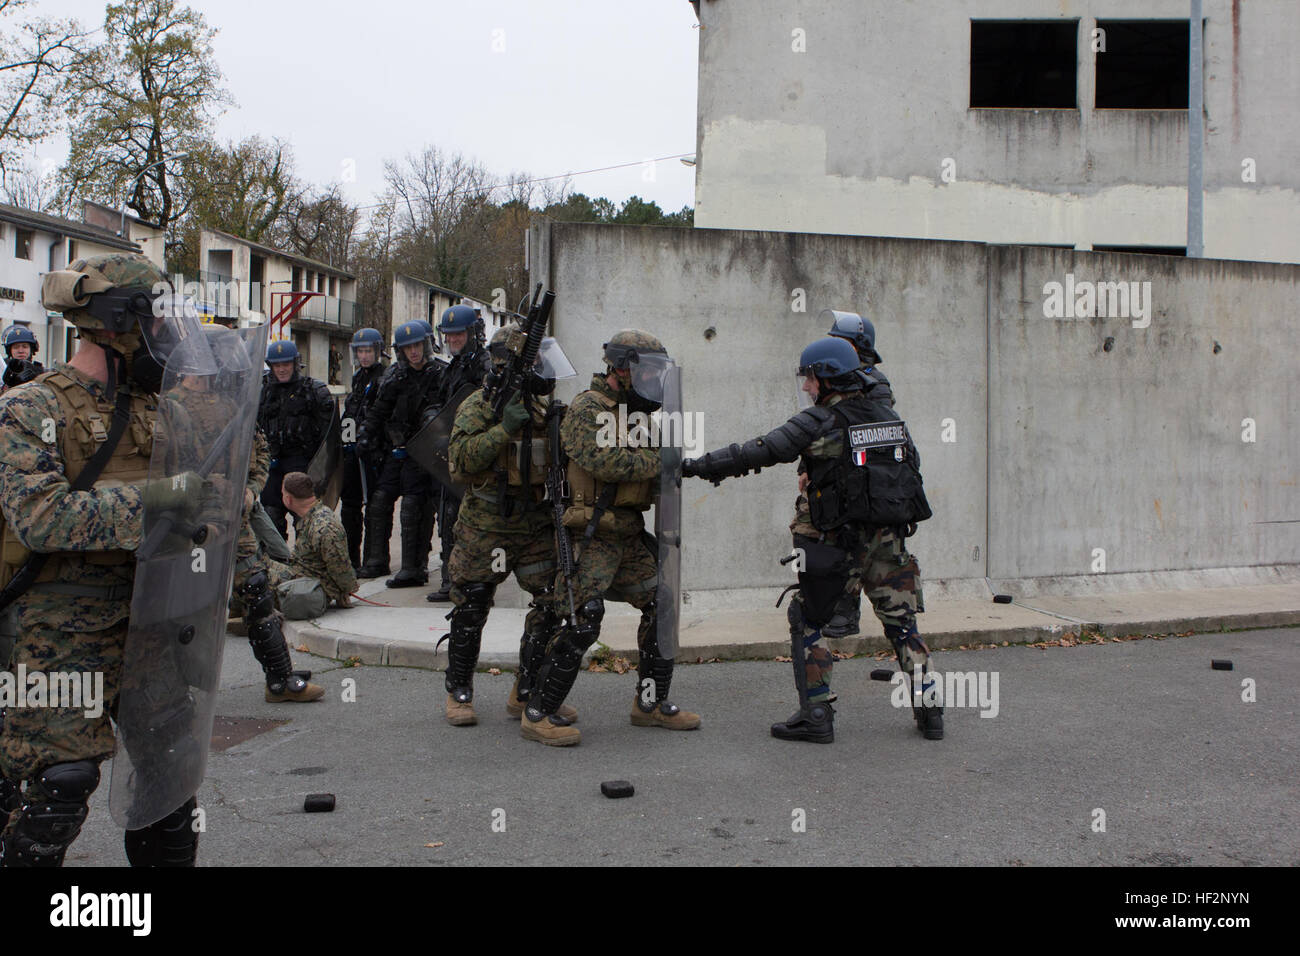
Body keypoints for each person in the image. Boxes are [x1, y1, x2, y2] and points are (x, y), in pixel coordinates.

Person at [0, 253, 222, 866]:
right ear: (114, 323)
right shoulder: (30, 410)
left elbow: (206, 507)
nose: (168, 341)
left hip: (149, 627)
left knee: (171, 793)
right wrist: (155, 502)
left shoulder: (166, 412)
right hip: (58, 634)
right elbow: (41, 517)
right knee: (59, 790)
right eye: (157, 324)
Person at [682, 336, 938, 744]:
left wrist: (698, 466)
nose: (806, 387)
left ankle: (816, 714)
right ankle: (931, 712)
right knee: (903, 625)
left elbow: (761, 450)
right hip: (890, 542)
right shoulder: (890, 419)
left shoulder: (820, 421)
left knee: (808, 619)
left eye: (810, 377)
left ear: (827, 377)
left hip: (837, 544)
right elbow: (911, 469)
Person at [521, 330, 701, 746]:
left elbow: (660, 469)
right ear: (623, 368)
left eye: (659, 372)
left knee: (662, 603)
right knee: (583, 620)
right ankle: (538, 713)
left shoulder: (640, 417)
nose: (655, 381)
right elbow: (607, 460)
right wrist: (663, 459)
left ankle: (650, 704)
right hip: (592, 534)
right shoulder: (588, 407)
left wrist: (684, 465)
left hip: (628, 535)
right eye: (649, 371)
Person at [440, 324, 578, 726]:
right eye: (532, 361)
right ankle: (459, 690)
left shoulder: (542, 411)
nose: (540, 369)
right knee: (473, 601)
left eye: (540, 360)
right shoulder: (480, 406)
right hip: (487, 525)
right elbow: (462, 461)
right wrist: (502, 430)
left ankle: (528, 689)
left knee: (551, 602)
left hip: (534, 523)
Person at [819, 310, 897, 638]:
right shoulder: (839, 374)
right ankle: (839, 609)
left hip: (866, 476)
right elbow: (822, 425)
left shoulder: (873, 383)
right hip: (839, 471)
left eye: (839, 341)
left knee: (858, 542)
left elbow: (880, 427)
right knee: (837, 538)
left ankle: (856, 612)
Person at [359, 320, 443, 587]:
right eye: (408, 348)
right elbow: (380, 410)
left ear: (426, 345)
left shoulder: (441, 374)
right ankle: (405, 567)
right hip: (407, 451)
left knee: (433, 509)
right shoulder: (396, 377)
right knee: (402, 504)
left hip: (435, 453)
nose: (414, 352)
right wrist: (365, 432)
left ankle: (424, 566)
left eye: (417, 345)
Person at [426, 305, 492, 603]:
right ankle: (451, 579)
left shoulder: (484, 365)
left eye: (458, 334)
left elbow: (488, 407)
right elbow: (438, 402)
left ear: (472, 334)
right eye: (449, 334)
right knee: (448, 518)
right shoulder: (451, 367)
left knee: (476, 523)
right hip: (451, 453)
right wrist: (432, 419)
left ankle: (478, 583)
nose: (453, 339)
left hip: (474, 454)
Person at [257, 338, 334, 540]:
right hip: (271, 463)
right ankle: (277, 563)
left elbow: (328, 435)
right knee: (271, 514)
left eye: (286, 364)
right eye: (277, 365)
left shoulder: (312, 391)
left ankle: (305, 561)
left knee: (303, 515)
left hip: (301, 461)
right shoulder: (262, 392)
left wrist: (322, 471)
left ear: (295, 364)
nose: (281, 369)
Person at [262, 471, 356, 618]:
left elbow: (340, 567)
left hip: (312, 586)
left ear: (288, 499)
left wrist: (345, 591)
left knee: (254, 573)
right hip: (304, 575)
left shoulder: (324, 527)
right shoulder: (312, 515)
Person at [341, 328, 387, 572]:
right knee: (350, 504)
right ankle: (351, 558)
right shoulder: (358, 378)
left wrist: (370, 440)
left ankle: (373, 559)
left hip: (373, 451)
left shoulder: (384, 377)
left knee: (374, 505)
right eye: (360, 351)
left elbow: (380, 414)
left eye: (368, 350)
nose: (364, 355)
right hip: (353, 449)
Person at [1, 326, 44, 393]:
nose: (20, 351)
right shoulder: (2, 370)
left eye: (25, 346)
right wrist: (8, 386)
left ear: (32, 349)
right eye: (16, 347)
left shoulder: (41, 372)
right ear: (10, 351)